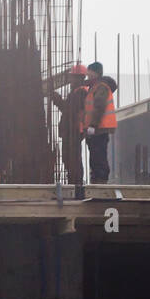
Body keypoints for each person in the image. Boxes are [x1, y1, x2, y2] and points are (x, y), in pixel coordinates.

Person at [48, 62, 88, 199]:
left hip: (74, 131)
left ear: (79, 78)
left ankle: (76, 186)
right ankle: (75, 185)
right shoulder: (77, 92)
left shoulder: (80, 92)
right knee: (70, 158)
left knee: (73, 159)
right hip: (72, 131)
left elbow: (69, 111)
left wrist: (57, 99)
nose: (70, 80)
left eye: (72, 77)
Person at [83, 61, 118, 184]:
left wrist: (93, 125)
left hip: (99, 128)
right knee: (95, 156)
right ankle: (97, 180)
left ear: (95, 73)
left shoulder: (101, 87)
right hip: (96, 128)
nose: (87, 74)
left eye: (89, 72)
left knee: (99, 156)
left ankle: (101, 181)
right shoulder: (94, 86)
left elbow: (99, 107)